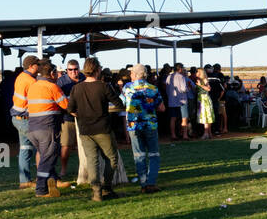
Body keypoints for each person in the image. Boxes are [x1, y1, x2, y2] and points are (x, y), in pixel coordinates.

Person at [65, 57, 119, 201]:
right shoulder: (103, 86)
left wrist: (82, 114)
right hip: (103, 128)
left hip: (85, 129)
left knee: (92, 160)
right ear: (97, 69)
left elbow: (70, 109)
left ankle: (96, 191)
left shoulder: (77, 88)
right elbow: (119, 103)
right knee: (112, 158)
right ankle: (107, 187)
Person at [23, 59, 68, 197]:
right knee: (47, 159)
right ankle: (41, 190)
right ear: (52, 73)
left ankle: (52, 181)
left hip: (32, 129)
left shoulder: (33, 86)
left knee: (45, 156)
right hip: (47, 128)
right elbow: (67, 105)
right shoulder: (52, 87)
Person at [123, 63, 163, 193]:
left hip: (134, 125)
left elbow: (122, 101)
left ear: (134, 74)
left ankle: (143, 184)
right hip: (150, 124)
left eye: (131, 73)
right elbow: (162, 107)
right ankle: (151, 183)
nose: (130, 75)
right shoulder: (153, 89)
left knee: (138, 155)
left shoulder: (127, 88)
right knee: (154, 154)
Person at [9, 54, 40, 188]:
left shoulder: (21, 77)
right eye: (37, 64)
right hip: (25, 119)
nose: (39, 67)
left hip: (18, 118)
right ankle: (45, 178)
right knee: (42, 147)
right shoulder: (31, 81)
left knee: (25, 149)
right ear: (31, 66)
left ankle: (25, 181)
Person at [166, 63, 192, 140]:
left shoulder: (169, 76)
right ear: (180, 69)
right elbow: (183, 89)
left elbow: (167, 89)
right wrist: (189, 88)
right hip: (182, 101)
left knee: (173, 118)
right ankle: (185, 135)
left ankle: (173, 135)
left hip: (172, 100)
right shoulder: (181, 77)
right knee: (184, 118)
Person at [195, 68, 215, 139]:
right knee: (205, 116)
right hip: (200, 99)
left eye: (197, 72)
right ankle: (209, 133)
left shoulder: (204, 80)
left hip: (205, 99)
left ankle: (206, 133)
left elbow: (209, 89)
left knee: (206, 116)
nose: (195, 73)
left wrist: (200, 85)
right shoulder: (198, 80)